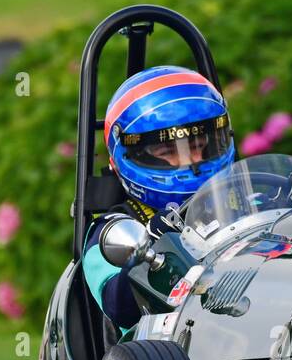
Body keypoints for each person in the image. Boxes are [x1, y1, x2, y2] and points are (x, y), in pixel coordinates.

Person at [82, 65, 236, 332]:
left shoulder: (238, 205)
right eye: (168, 151)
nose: (191, 161)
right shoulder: (111, 234)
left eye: (198, 146)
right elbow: (119, 310)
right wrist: (147, 249)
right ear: (127, 157)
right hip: (164, 351)